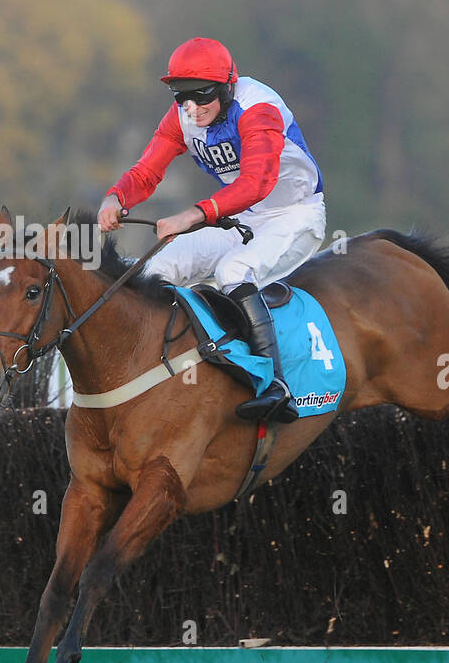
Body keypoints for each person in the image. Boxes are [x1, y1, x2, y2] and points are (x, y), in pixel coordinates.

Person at [98, 36, 326, 422]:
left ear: (226, 87)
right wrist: (115, 198)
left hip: (294, 215)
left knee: (233, 272)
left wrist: (191, 216)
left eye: (201, 96)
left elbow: (257, 183)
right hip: (241, 219)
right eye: (180, 97)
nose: (191, 108)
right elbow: (147, 171)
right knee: (154, 269)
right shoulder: (183, 116)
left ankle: (275, 386)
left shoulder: (259, 108)